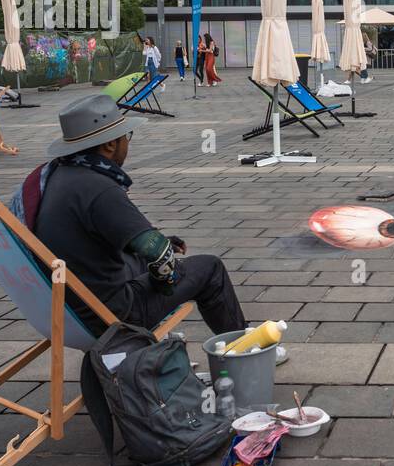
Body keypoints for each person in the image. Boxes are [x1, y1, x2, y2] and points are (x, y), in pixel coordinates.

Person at [19, 95, 281, 359]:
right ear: (110, 144)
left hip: (65, 307)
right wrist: (168, 280)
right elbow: (160, 256)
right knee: (210, 269)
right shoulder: (98, 189)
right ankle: (245, 349)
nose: (127, 143)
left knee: (139, 258)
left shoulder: (56, 175)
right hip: (109, 315)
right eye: (126, 136)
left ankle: (167, 344)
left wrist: (152, 247)